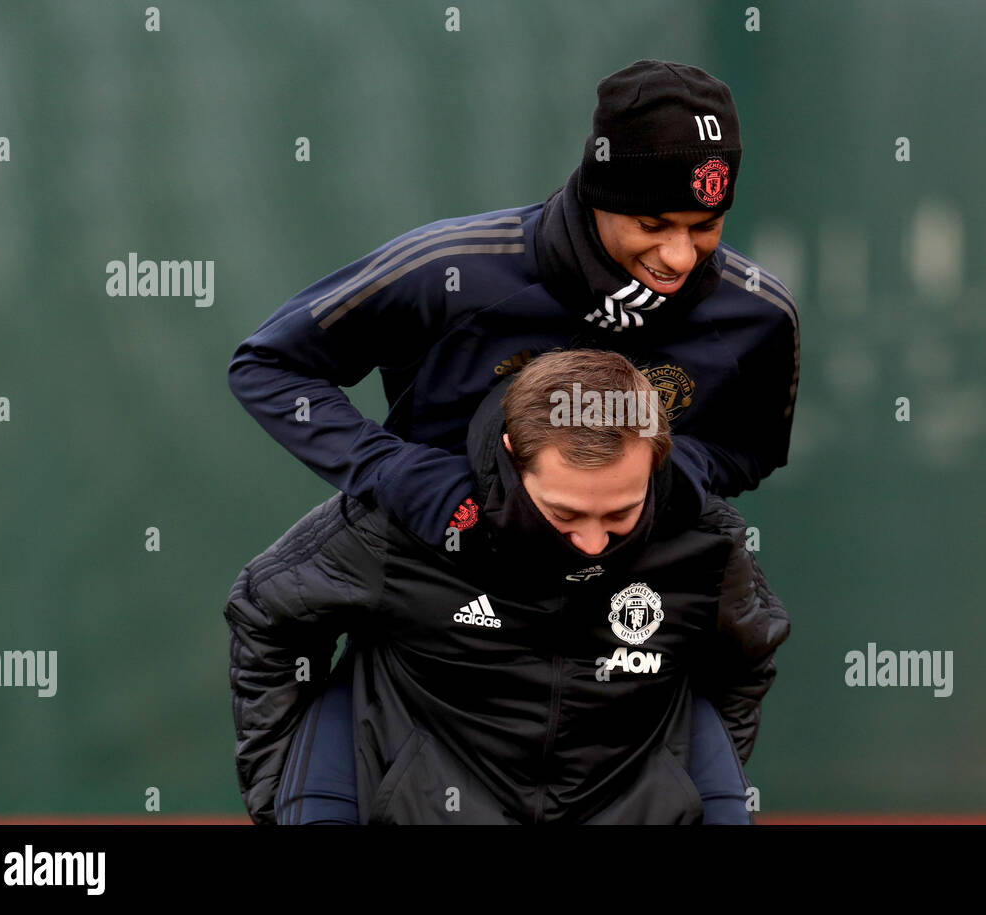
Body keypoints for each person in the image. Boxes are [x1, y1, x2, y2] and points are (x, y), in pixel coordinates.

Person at [226, 59, 799, 822]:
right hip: (438, 609)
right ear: (600, 194)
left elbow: (749, 448)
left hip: (615, 645)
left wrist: (660, 483)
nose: (680, 257)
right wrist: (404, 478)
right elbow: (269, 364)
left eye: (705, 228)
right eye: (655, 225)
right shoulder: (453, 270)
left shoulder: (757, 317)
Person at [225, 350, 790, 823]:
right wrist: (277, 791)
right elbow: (266, 614)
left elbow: (744, 661)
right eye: (565, 514)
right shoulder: (409, 525)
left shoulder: (704, 543)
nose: (593, 542)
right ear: (515, 456)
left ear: (656, 462)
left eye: (620, 513)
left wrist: (675, 783)